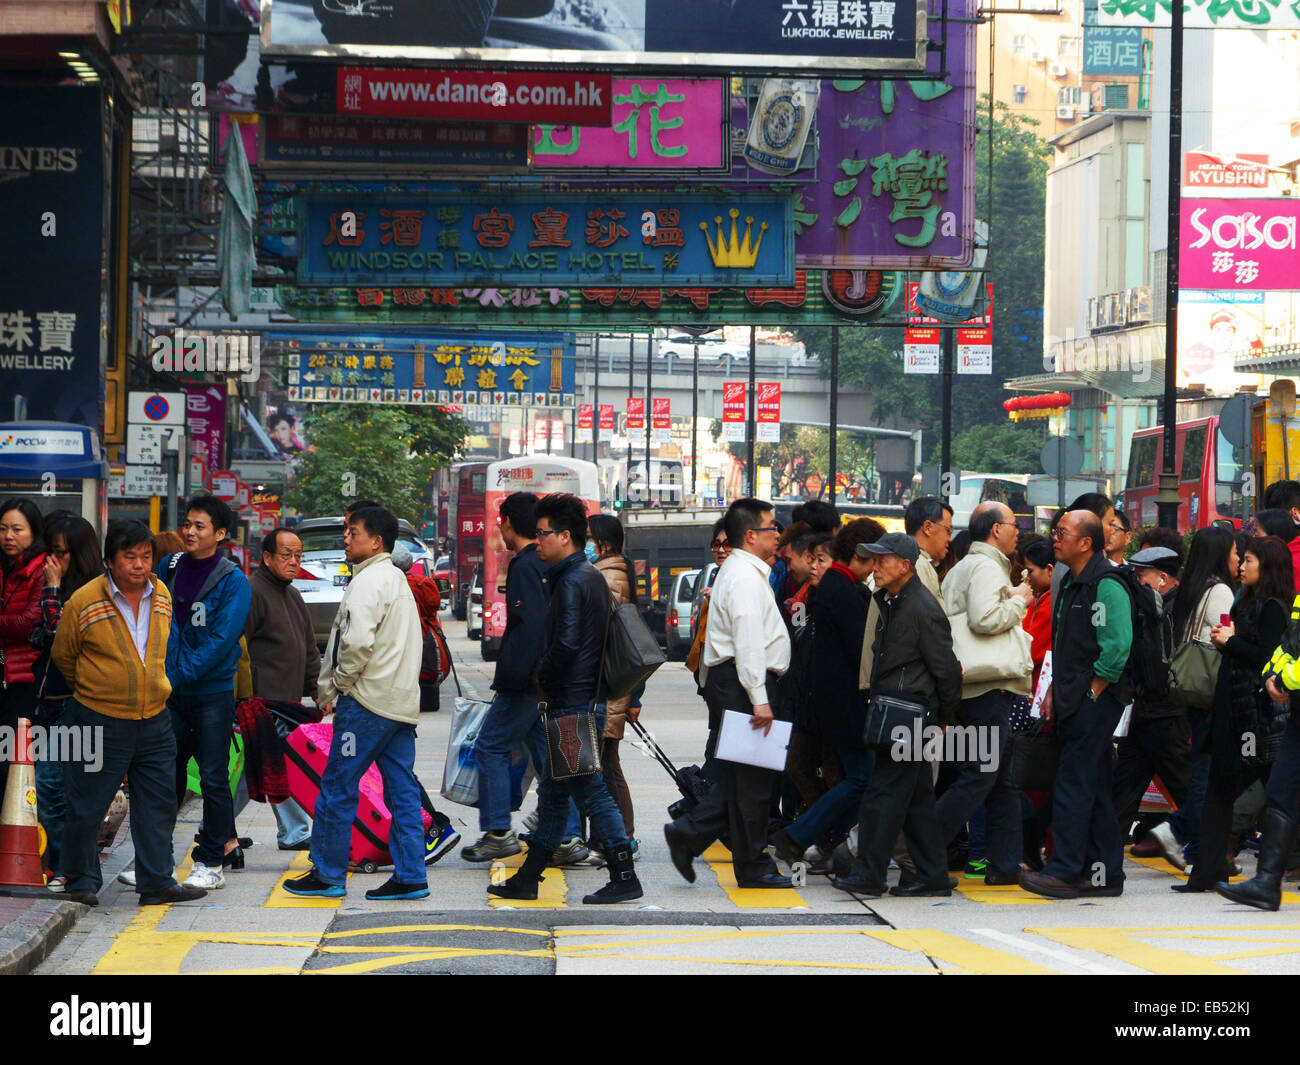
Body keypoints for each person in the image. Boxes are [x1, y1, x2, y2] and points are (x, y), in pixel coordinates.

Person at [489, 493, 643, 904]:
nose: (537, 541)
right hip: (574, 702)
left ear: (565, 536)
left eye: (542, 534)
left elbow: (568, 643)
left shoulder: (575, 580)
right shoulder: (580, 575)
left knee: (591, 792)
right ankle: (529, 878)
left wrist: (541, 672)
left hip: (573, 705)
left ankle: (623, 874)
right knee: (555, 797)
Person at [52, 521, 206, 907]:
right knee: (88, 803)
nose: (139, 565)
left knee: (157, 803)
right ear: (109, 560)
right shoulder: (84, 601)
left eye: (146, 556)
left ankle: (156, 881)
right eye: (130, 557)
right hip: (97, 716)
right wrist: (99, 688)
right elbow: (63, 656)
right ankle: (81, 880)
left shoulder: (162, 595)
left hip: (154, 716)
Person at [285, 506, 430, 900]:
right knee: (401, 791)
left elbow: (355, 644)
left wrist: (338, 686)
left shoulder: (368, 583)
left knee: (337, 785)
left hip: (366, 704)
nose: (345, 539)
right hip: (400, 705)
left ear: (376, 542)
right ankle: (412, 874)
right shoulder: (397, 579)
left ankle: (328, 874)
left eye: (353, 533)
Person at [664, 498, 794, 889]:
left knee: (743, 777)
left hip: (737, 683)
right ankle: (751, 864)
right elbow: (749, 641)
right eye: (772, 527)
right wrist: (760, 698)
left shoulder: (743, 572)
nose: (778, 534)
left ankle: (690, 834)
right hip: (743, 684)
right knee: (755, 781)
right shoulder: (742, 577)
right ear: (752, 536)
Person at [833, 532, 963, 897]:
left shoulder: (921, 608)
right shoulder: (894, 601)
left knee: (881, 797)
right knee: (917, 802)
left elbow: (948, 671)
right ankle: (933, 876)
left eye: (882, 560)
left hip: (909, 720)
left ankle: (869, 874)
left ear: (905, 566)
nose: (875, 567)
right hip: (898, 715)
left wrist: (944, 720)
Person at [1020, 510, 1134, 899]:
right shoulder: (1070, 581)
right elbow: (1064, 644)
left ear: (1085, 543)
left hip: (1094, 700)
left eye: (1062, 532)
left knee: (1072, 783)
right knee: (1096, 786)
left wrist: (1093, 691)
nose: (1055, 537)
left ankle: (1065, 872)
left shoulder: (1107, 584)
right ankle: (1105, 875)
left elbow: (1117, 648)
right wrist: (1053, 689)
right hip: (1073, 695)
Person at [462, 492, 582, 863]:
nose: (499, 529)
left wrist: (523, 676)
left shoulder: (527, 565)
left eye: (500, 522)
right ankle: (567, 834)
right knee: (549, 757)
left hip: (527, 681)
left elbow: (530, 628)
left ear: (509, 522)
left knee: (491, 746)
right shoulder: (546, 564)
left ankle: (498, 831)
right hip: (544, 679)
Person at [1174, 536, 1292, 893]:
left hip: (1254, 714)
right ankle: (1206, 873)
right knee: (1219, 788)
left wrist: (1230, 641)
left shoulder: (1273, 606)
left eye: (1250, 560)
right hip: (1231, 707)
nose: (1241, 566)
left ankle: (1260, 872)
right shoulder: (1247, 600)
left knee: (1268, 787)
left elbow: (1265, 656)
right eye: (1242, 560)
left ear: (1267, 566)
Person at [774, 519, 883, 865]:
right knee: (860, 779)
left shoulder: (836, 586)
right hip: (845, 707)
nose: (876, 568)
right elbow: (861, 653)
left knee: (855, 779)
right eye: (875, 559)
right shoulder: (843, 589)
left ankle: (839, 849)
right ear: (862, 555)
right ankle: (801, 834)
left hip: (834, 706)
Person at [158, 494, 252, 892]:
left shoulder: (233, 581)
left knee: (213, 777)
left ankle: (210, 859)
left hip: (211, 694)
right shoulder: (170, 566)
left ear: (220, 534)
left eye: (200, 526)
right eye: (188, 524)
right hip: (170, 692)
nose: (190, 532)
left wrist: (176, 677)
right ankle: (156, 861)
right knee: (164, 774)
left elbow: (220, 642)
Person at [937, 502, 1033, 885]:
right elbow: (985, 619)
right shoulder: (985, 566)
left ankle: (1005, 864)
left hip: (977, 686)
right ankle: (924, 846)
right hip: (985, 686)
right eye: (1013, 525)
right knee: (980, 774)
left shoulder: (964, 566)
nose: (1018, 532)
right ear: (995, 530)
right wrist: (1019, 601)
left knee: (1000, 778)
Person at [1144, 526, 1238, 872]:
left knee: (1204, 768)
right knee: (1207, 773)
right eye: (1233, 552)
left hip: (1189, 690)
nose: (1238, 558)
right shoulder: (1221, 591)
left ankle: (1200, 850)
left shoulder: (1191, 591)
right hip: (1212, 690)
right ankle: (1178, 830)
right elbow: (1227, 637)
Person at [28, 516, 102, 889]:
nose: (52, 562)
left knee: (58, 788)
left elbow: (58, 637)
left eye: (61, 553)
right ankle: (69, 867)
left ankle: (68, 868)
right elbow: (38, 636)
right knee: (51, 789)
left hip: (79, 706)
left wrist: (53, 589)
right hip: (48, 705)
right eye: (50, 553)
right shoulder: (51, 588)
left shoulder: (92, 593)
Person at [245, 526, 320, 853]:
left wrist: (318, 690)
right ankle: (216, 829)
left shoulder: (292, 594)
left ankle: (293, 831)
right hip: (259, 704)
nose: (293, 561)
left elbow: (308, 650)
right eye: (286, 555)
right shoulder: (252, 592)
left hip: (286, 703)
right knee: (247, 773)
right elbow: (239, 647)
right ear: (267, 557)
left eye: (298, 556)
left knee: (277, 766)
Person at [1115, 545, 1193, 846]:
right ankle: (1104, 850)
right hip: (1144, 710)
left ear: (1163, 578)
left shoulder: (1175, 611)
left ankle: (1215, 847)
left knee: (1183, 784)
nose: (1136, 581)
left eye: (1141, 575)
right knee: (1123, 785)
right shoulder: (1148, 606)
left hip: (1168, 713)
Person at [588, 513, 639, 853]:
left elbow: (601, 638)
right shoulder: (611, 572)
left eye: (589, 537)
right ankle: (614, 835)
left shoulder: (608, 578)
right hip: (610, 688)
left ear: (604, 543)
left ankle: (622, 837)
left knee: (605, 765)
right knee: (605, 764)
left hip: (607, 689)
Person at [0, 499, 46, 801]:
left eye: (17, 529)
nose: (8, 536)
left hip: (24, 681)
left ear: (33, 533)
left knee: (17, 760)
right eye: (3, 529)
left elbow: (29, 622)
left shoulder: (40, 569)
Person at [903, 496, 954, 604]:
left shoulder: (903, 559)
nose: (950, 539)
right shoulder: (917, 566)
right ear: (928, 528)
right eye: (948, 531)